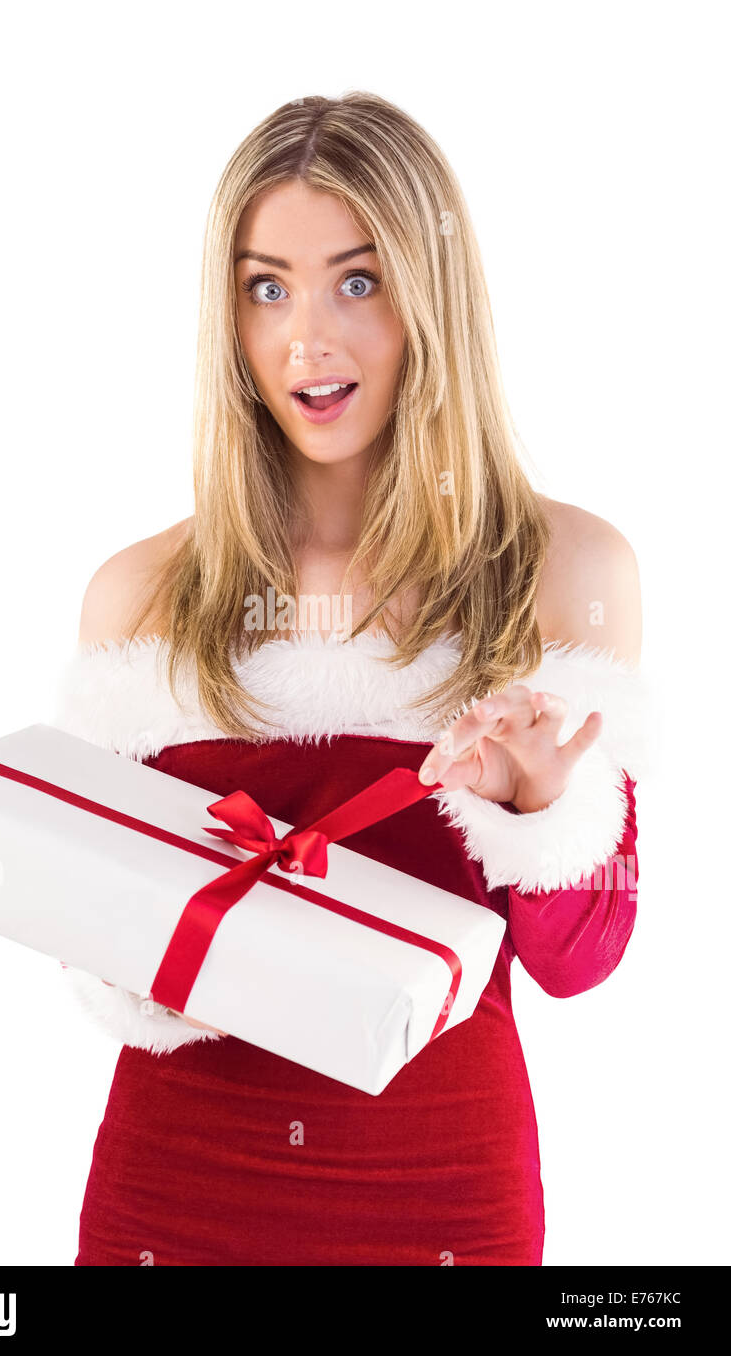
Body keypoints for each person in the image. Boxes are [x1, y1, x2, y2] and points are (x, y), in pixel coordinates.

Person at [53, 91, 649, 1266]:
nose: (304, 339)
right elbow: (95, 940)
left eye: (358, 281)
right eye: (265, 285)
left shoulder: (565, 571)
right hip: (173, 1192)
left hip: (438, 1196)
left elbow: (580, 960)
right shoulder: (136, 595)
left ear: (432, 296)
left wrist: (538, 811)